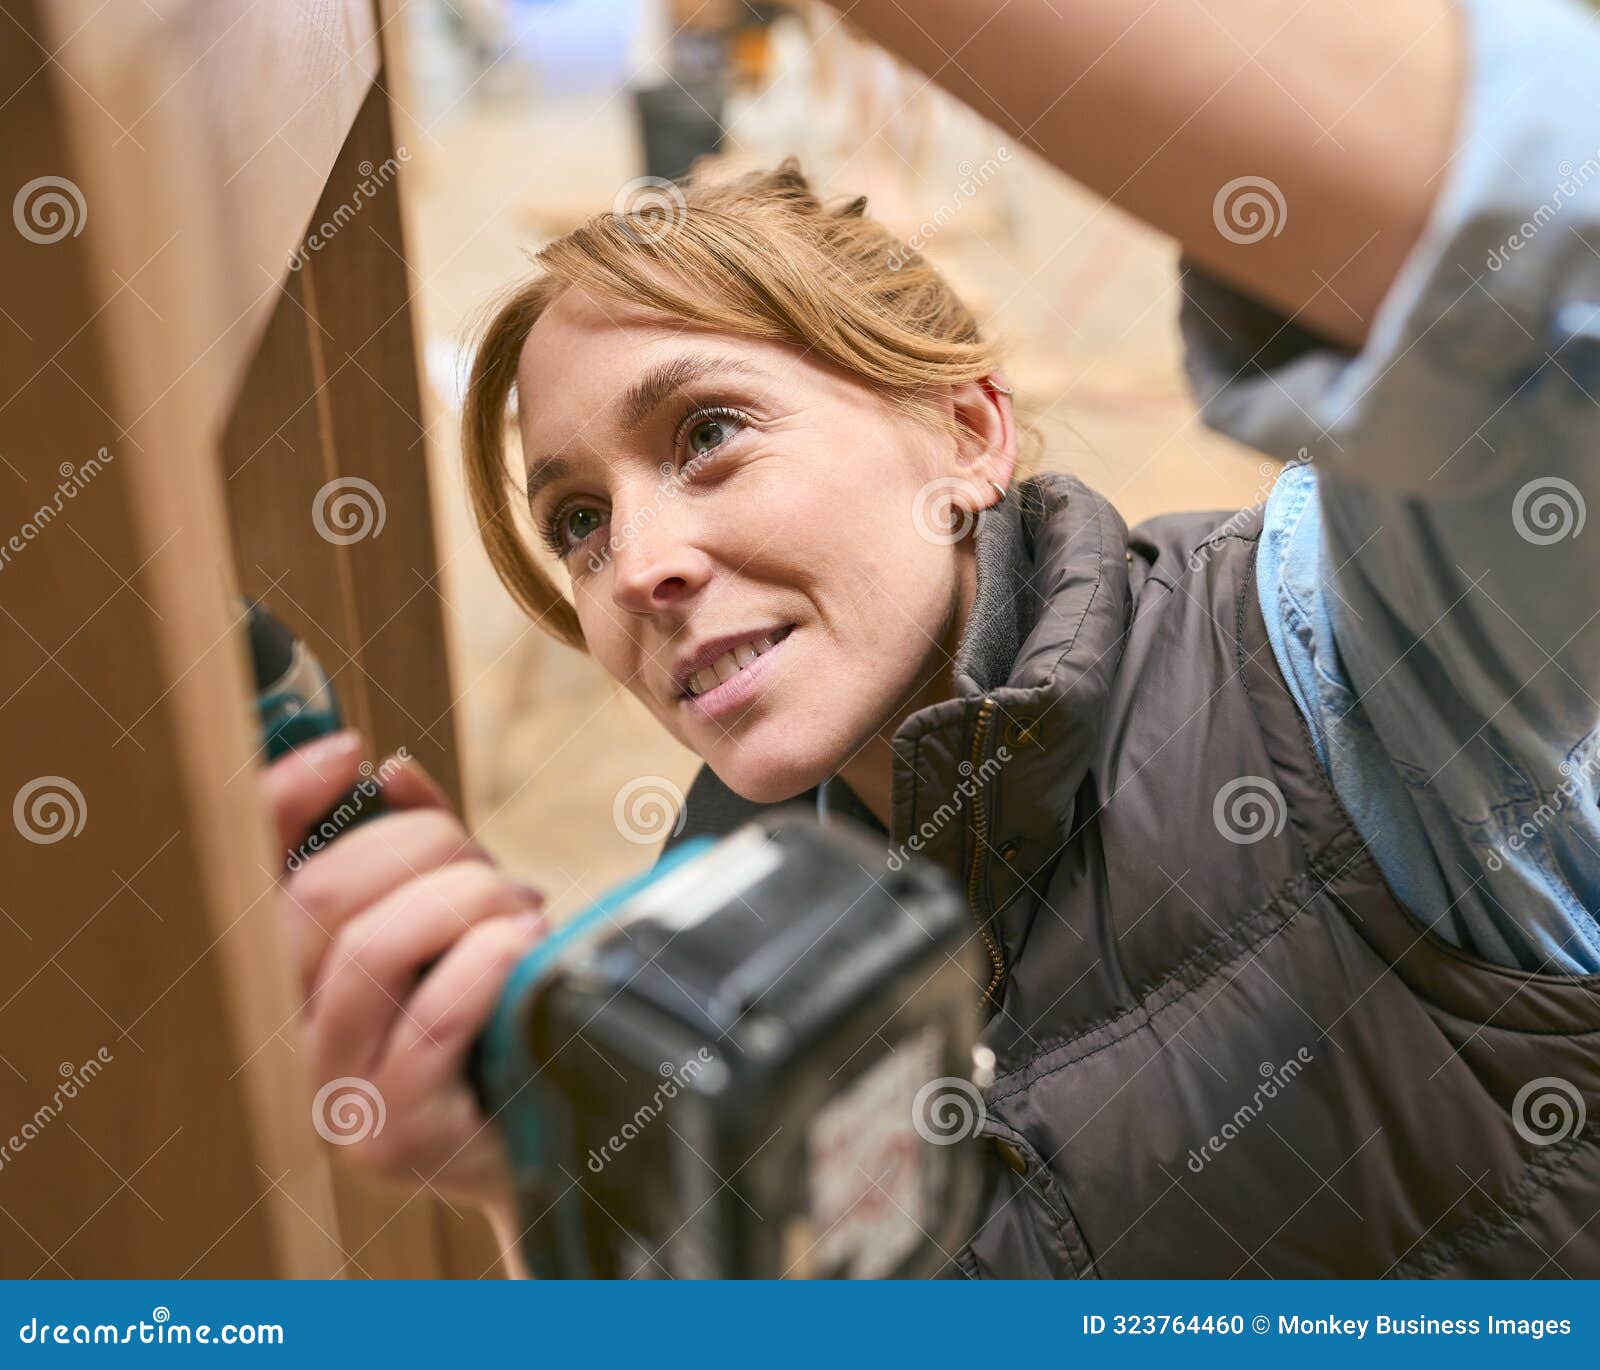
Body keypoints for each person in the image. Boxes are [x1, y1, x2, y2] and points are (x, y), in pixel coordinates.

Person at [263, 0, 1600, 1276]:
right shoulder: (707, 963)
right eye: (578, 522)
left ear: (967, 435)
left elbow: (1548, 273)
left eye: (708, 432)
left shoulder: (1337, 658)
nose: (640, 567)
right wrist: (555, 1183)